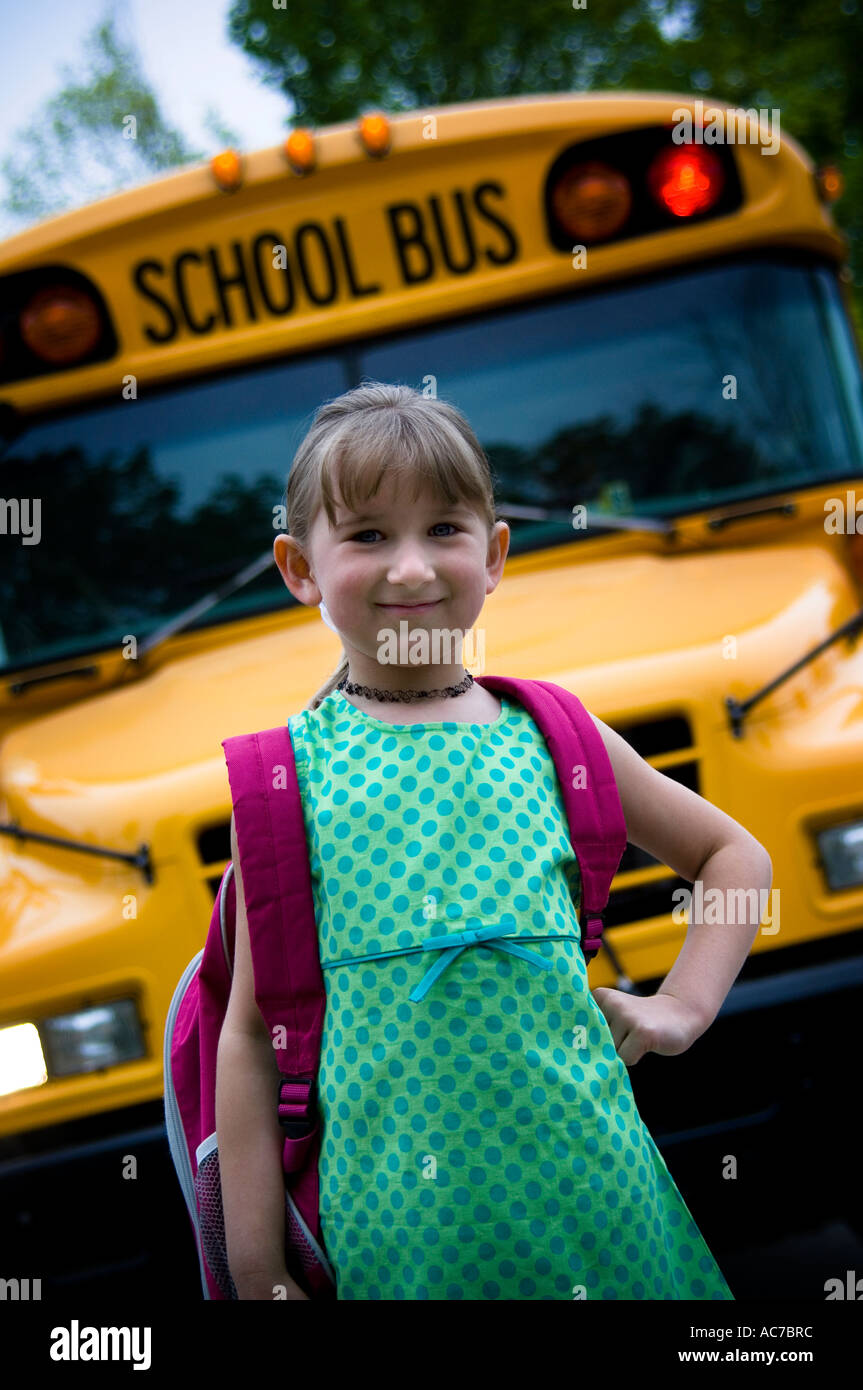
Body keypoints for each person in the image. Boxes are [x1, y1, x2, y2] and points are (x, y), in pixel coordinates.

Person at [216, 381, 772, 1301]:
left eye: (444, 529)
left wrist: (682, 1006)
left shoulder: (556, 738)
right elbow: (246, 1035)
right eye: (366, 536)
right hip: (400, 1252)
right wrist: (257, 1267)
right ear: (297, 568)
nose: (409, 569)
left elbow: (733, 857)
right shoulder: (283, 781)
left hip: (608, 1221)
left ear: (495, 553)